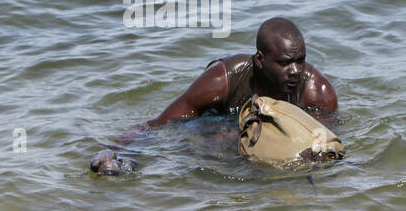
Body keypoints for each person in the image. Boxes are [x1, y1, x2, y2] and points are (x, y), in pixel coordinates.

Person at [90, 17, 337, 174]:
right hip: (218, 128)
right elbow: (159, 124)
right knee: (220, 138)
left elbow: (328, 145)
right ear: (260, 61)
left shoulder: (318, 93)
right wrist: (118, 152)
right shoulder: (222, 79)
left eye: (300, 61)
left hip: (275, 143)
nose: (295, 71)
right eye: (285, 63)